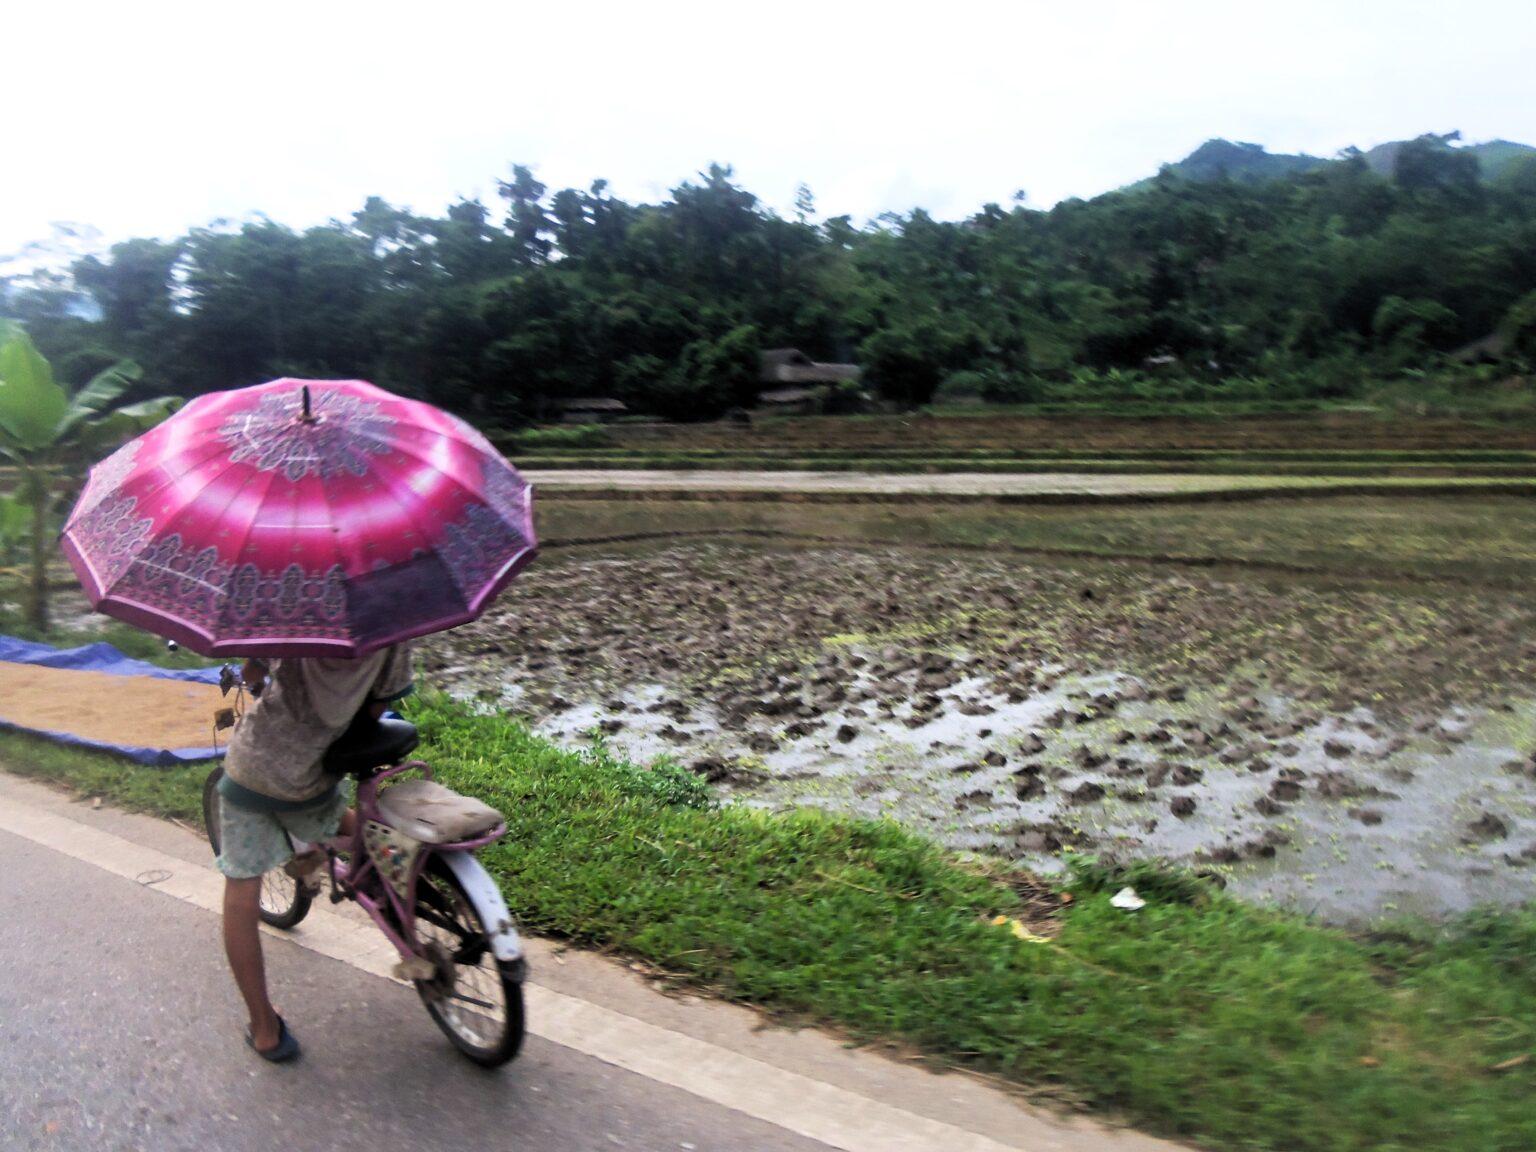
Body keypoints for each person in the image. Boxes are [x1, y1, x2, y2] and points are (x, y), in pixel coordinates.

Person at [214, 643, 414, 1062]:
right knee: (340, 818)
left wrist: (257, 674)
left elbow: (253, 673)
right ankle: (402, 858)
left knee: (240, 888)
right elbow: (381, 702)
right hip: (320, 772)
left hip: (254, 770)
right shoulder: (393, 618)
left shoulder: (292, 608)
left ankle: (265, 1030)